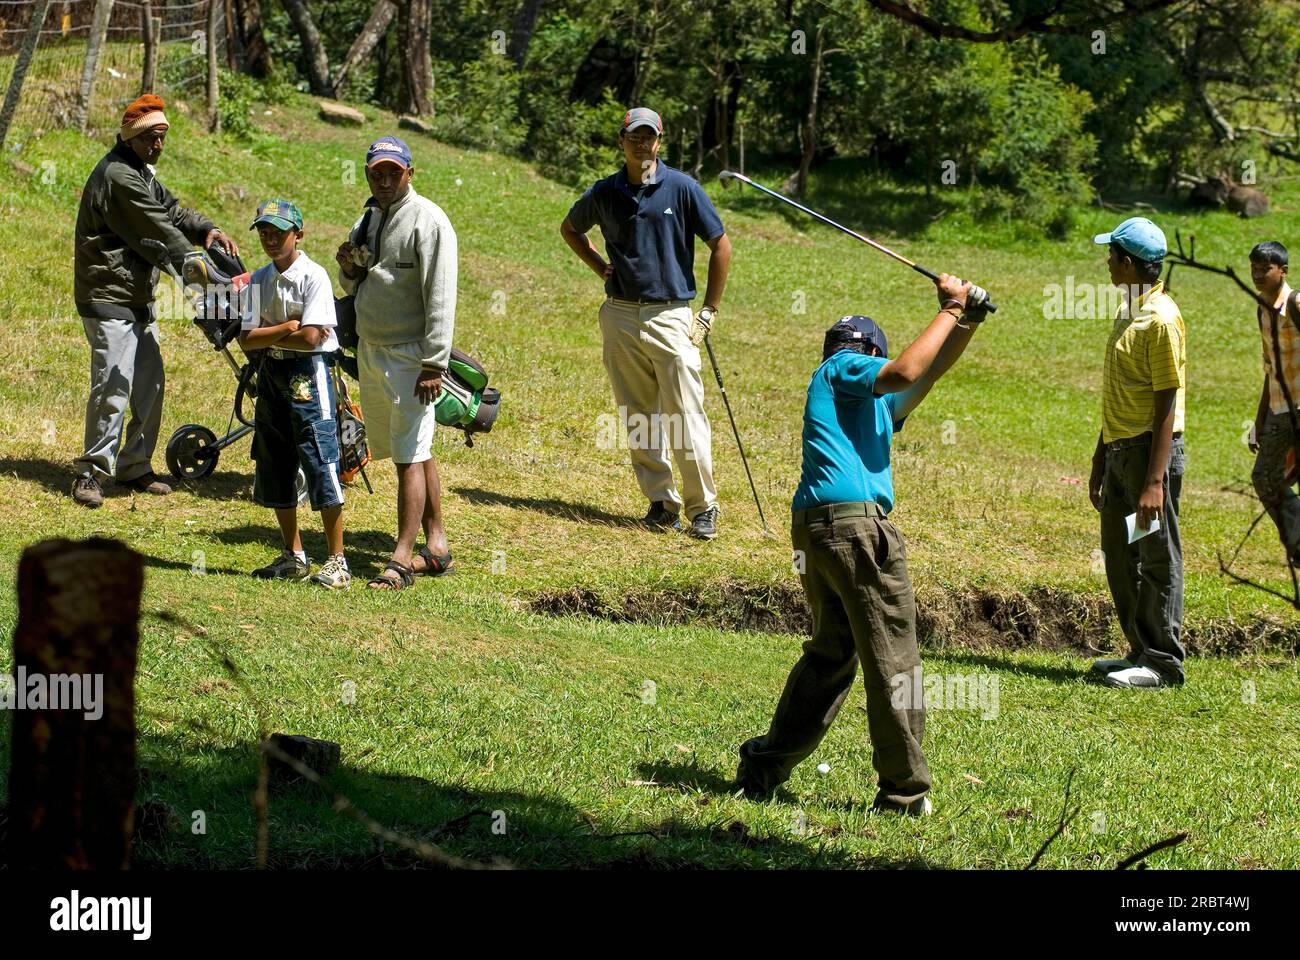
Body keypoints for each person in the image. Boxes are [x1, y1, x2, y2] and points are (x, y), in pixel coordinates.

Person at [736, 275, 990, 817]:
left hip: (822, 530)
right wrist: (949, 305)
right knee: (895, 662)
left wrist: (966, 321)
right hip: (856, 532)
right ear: (869, 354)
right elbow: (905, 369)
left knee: (832, 656)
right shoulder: (842, 369)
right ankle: (904, 794)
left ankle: (763, 767)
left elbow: (927, 373)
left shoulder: (869, 404)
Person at [560, 107, 733, 540]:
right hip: (620, 312)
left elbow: (721, 246)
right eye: (634, 136)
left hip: (671, 313)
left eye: (649, 137)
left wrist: (709, 310)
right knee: (639, 414)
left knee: (685, 413)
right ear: (622, 140)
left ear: (660, 140)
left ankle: (702, 508)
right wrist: (600, 267)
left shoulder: (683, 187)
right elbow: (570, 229)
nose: (642, 144)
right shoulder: (604, 192)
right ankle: (660, 501)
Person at [71, 93, 238, 508]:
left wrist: (206, 230)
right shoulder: (119, 177)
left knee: (150, 383)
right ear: (130, 138)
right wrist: (203, 273)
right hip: (108, 294)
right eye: (150, 139)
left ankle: (134, 465)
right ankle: (91, 471)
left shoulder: (140, 171)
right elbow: (161, 230)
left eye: (163, 137)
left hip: (136, 295)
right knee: (113, 383)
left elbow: (173, 212)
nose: (158, 146)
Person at [335, 136, 456, 589]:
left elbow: (441, 296)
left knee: (408, 456)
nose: (384, 181)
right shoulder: (366, 218)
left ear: (410, 172)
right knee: (413, 451)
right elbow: (353, 286)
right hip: (372, 348)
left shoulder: (430, 221)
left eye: (393, 172)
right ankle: (437, 546)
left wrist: (433, 363)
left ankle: (402, 559)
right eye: (376, 173)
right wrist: (349, 267)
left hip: (412, 356)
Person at [1086, 217, 1187, 689]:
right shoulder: (1129, 308)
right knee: (1120, 554)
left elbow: (1167, 400)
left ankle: (1163, 661)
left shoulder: (1160, 319)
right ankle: (1138, 652)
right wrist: (1100, 455)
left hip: (1150, 455)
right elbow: (1119, 391)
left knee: (1155, 555)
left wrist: (1154, 480)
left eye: (1112, 255)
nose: (1107, 262)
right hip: (1121, 451)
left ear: (1128, 263)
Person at [237, 199, 349, 589]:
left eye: (278, 232)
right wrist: (287, 326)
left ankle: (337, 560)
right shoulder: (257, 280)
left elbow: (314, 337)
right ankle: (293, 554)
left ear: (297, 234)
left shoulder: (313, 276)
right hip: (272, 372)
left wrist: (274, 333)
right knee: (274, 455)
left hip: (308, 372)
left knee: (319, 455)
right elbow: (246, 339)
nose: (270, 239)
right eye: (264, 232)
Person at [1247, 241, 1300, 565]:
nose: (1257, 274)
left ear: (1283, 271)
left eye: (1264, 268)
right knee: (1265, 477)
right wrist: (1260, 419)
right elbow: (1270, 368)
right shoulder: (1262, 310)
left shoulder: (1296, 304)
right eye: (1253, 268)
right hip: (1280, 410)